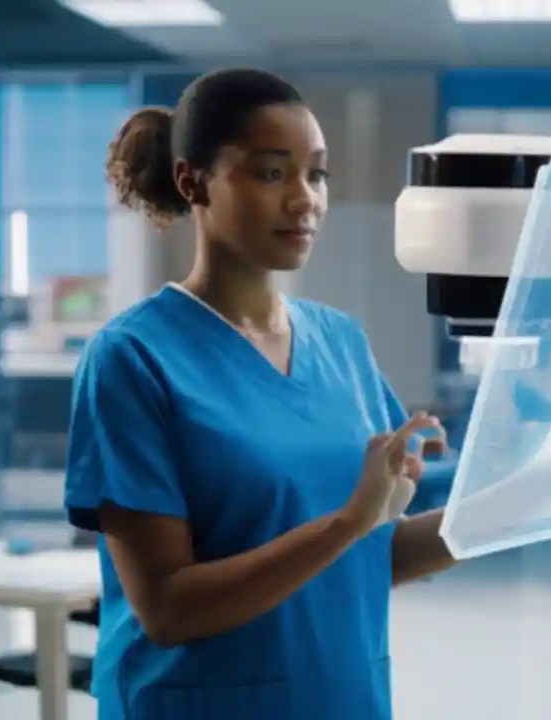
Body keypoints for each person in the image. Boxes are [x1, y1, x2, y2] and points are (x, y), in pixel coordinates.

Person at [64, 68, 457, 719]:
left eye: (318, 174)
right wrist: (346, 524)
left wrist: (512, 508)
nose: (305, 199)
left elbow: (369, 558)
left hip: (342, 698)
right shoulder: (133, 360)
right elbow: (166, 607)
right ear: (194, 181)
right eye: (273, 173)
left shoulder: (342, 344)